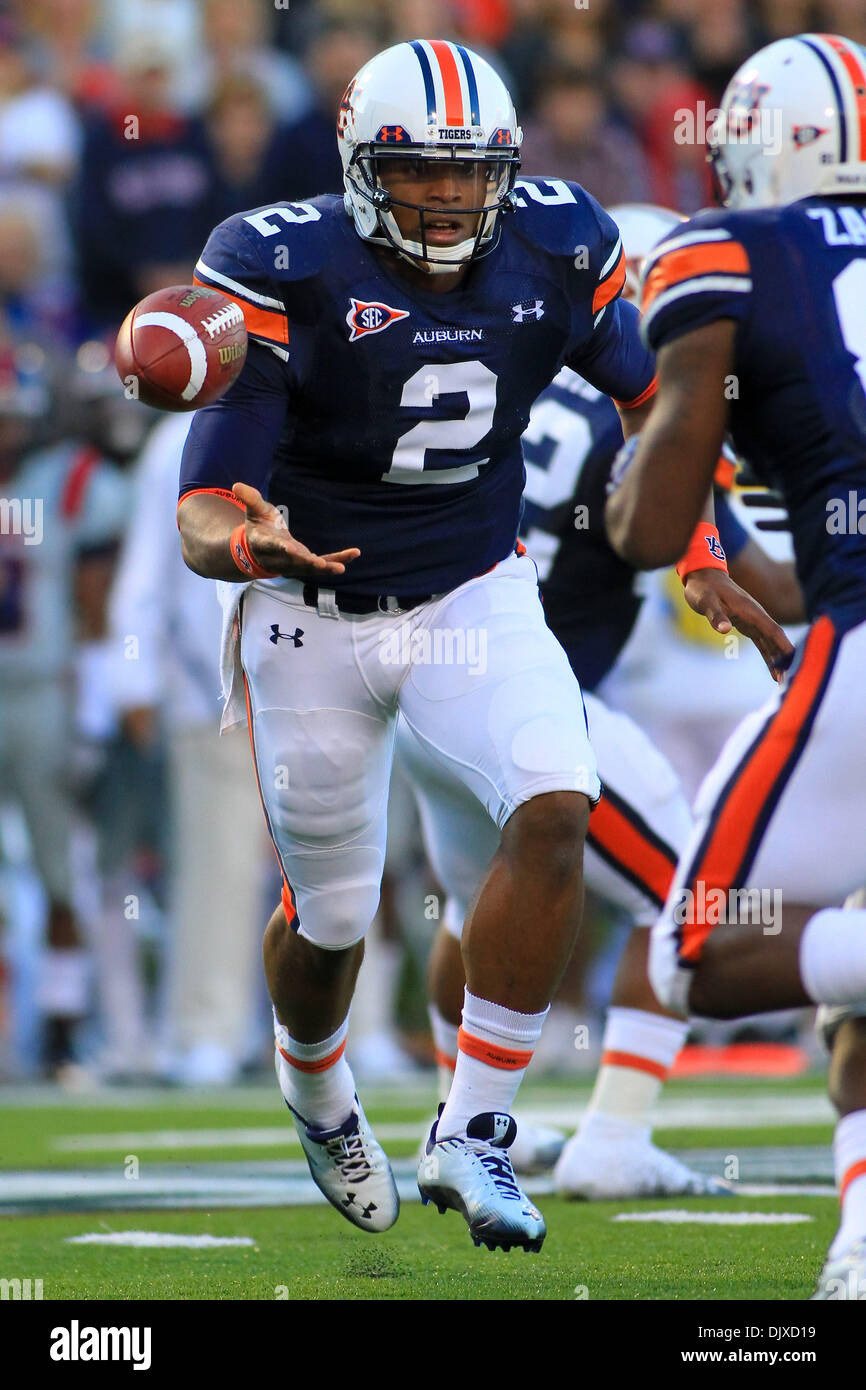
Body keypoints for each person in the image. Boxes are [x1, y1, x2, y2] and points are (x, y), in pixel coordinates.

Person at [176, 39, 786, 1252]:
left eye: (469, 172)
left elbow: (648, 400)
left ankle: (475, 1127)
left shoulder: (556, 242)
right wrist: (247, 548)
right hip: (313, 613)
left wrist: (703, 550)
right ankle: (315, 1085)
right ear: (359, 165)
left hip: (472, 587)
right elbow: (204, 507)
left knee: (557, 802)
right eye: (420, 171)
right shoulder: (277, 261)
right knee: (334, 921)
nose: (450, 197)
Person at [399, 202, 805, 1198]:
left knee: (472, 900)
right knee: (690, 893)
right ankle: (613, 1137)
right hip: (520, 693)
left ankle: (454, 1125)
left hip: (415, 681)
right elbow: (736, 574)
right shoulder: (642, 414)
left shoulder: (510, 374)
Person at [604, 32, 866, 1297]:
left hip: (859, 645)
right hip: (836, 620)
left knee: (695, 948)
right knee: (843, 961)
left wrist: (646, 462)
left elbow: (651, 530)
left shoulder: (726, 253)